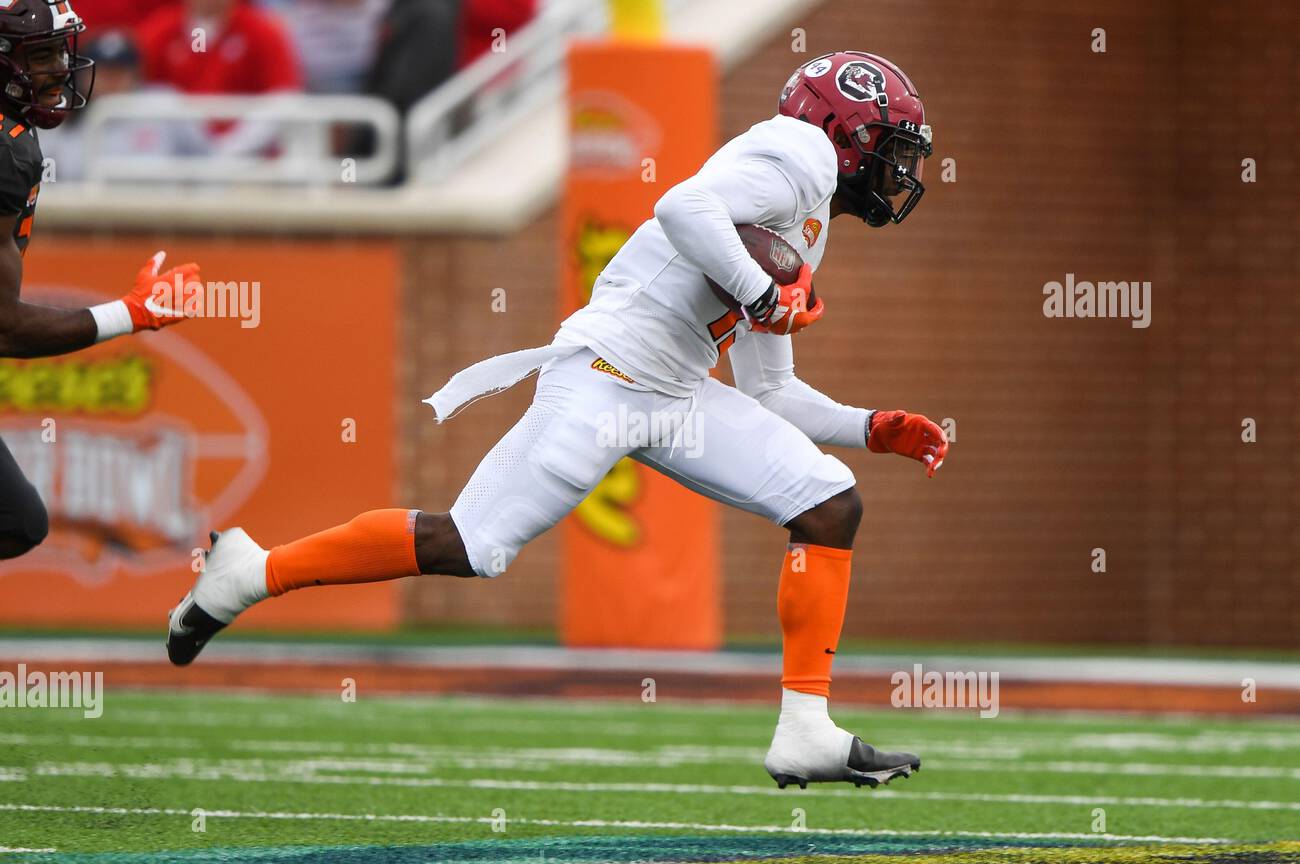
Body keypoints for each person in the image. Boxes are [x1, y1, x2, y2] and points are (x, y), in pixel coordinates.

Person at [166, 51, 947, 790]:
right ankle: (249, 573)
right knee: (471, 545)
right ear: (844, 131)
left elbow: (771, 391)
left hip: (676, 393)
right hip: (608, 372)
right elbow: (681, 206)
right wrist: (758, 289)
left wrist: (871, 426)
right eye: (890, 147)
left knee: (827, 500)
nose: (897, 171)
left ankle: (804, 728)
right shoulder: (797, 152)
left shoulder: (812, 219)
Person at [0, 1, 202, 559]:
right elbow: (4, 328)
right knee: (16, 521)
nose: (59, 71)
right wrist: (130, 314)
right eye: (40, 56)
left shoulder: (12, 135)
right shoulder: (5, 147)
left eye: (58, 54)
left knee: (16, 520)